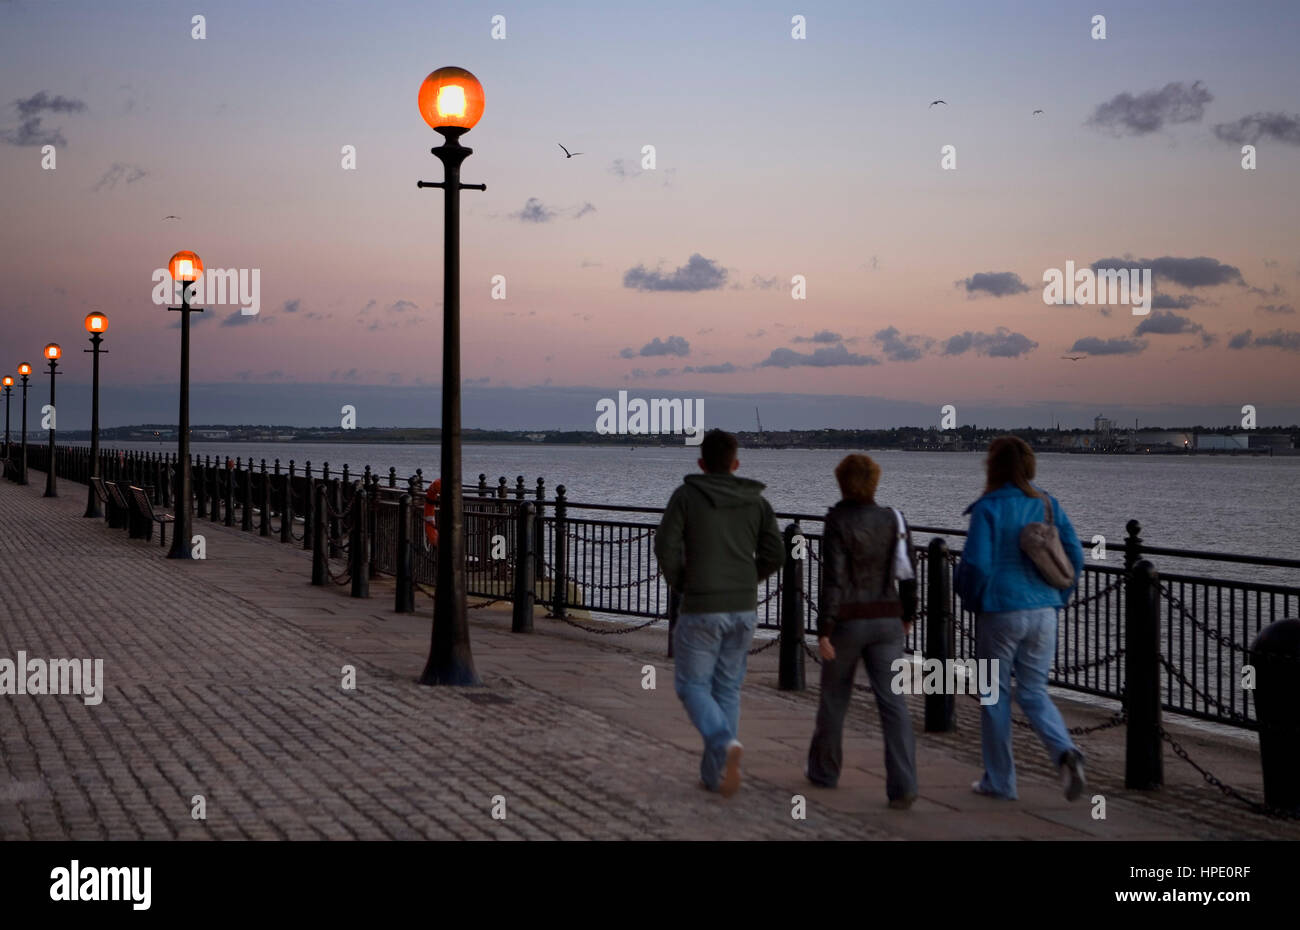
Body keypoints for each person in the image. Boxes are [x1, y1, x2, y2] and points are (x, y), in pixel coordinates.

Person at [955, 435, 1086, 801]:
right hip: (1044, 612)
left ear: (992, 467)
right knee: (1033, 692)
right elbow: (1075, 557)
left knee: (994, 696)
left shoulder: (989, 508)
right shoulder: (1046, 504)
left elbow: (977, 564)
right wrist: (1058, 597)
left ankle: (1000, 781)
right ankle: (1064, 751)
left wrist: (972, 598)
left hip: (1000, 611)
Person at [655, 429, 783, 797]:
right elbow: (775, 554)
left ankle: (723, 740)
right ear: (736, 464)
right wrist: (748, 579)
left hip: (701, 607)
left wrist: (683, 582)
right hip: (743, 609)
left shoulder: (686, 497)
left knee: (692, 685)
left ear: (701, 463)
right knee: (727, 687)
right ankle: (715, 774)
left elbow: (665, 545)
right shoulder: (757, 503)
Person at [805, 454, 919, 809]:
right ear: (874, 481)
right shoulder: (894, 518)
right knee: (893, 703)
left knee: (835, 697)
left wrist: (824, 629)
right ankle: (903, 785)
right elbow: (908, 572)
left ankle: (825, 770)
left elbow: (834, 580)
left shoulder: (837, 521)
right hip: (887, 620)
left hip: (849, 623)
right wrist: (907, 615)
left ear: (842, 481)